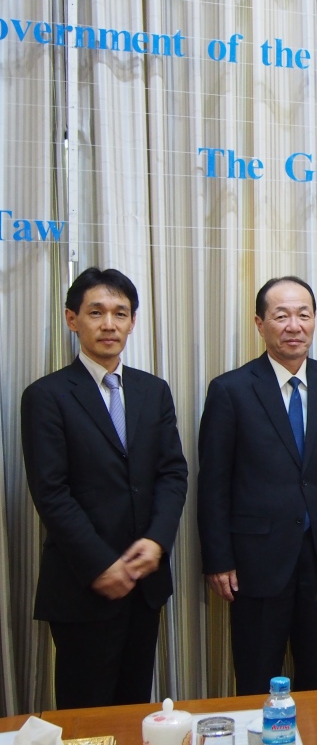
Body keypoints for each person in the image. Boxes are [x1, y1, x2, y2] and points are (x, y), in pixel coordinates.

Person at [21, 267, 188, 709]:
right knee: (86, 712)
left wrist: (156, 540)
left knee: (133, 705)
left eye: (120, 313)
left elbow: (173, 473)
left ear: (133, 321)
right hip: (83, 585)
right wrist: (101, 564)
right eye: (96, 312)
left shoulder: (153, 391)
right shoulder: (47, 396)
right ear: (72, 319)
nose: (109, 324)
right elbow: (51, 493)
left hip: (144, 582)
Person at [197, 276, 317, 695]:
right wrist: (217, 558)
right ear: (259, 323)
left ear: (315, 320)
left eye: (303, 315)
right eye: (281, 315)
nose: (294, 325)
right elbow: (213, 481)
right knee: (256, 675)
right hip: (255, 560)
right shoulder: (230, 390)